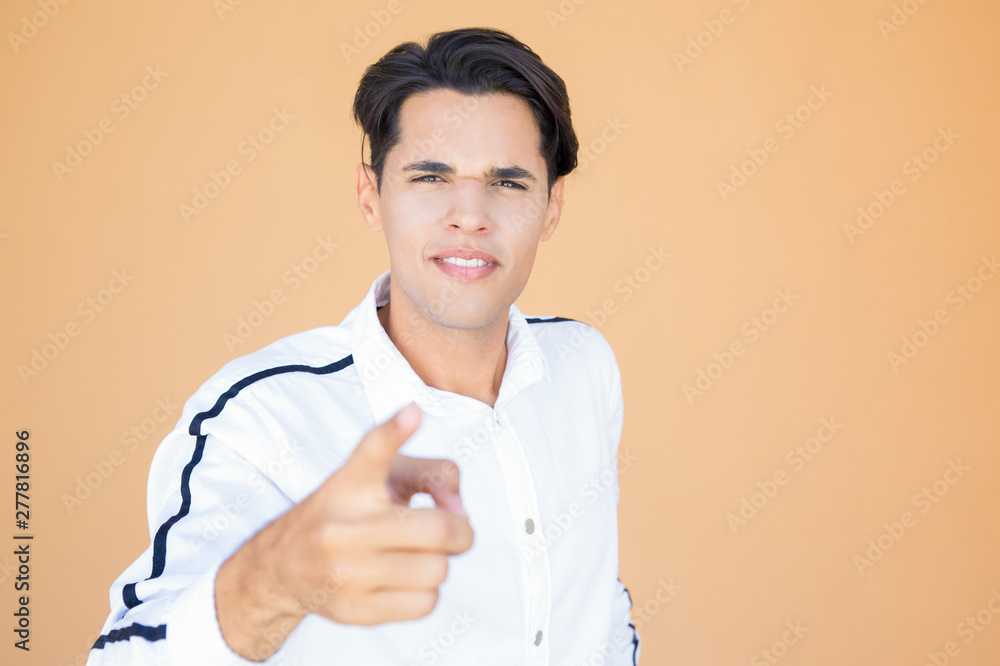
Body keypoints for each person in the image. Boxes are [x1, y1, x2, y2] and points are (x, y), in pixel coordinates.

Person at [87, 26, 640, 665]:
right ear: (370, 197)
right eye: (430, 178)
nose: (470, 215)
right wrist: (275, 578)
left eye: (509, 183)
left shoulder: (584, 366)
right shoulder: (259, 419)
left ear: (552, 206)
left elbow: (596, 601)